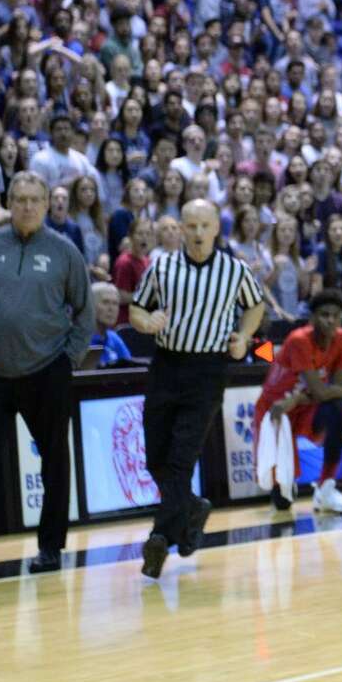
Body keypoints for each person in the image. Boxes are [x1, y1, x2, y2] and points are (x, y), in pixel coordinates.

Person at [0, 173, 94, 578]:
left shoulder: (65, 251)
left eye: (35, 199)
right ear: (9, 202)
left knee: (54, 461)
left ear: (48, 202)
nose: (28, 207)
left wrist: (67, 360)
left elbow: (84, 313)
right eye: (20, 200)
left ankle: (50, 548)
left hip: (46, 372)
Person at [127, 199, 265, 579]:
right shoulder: (163, 266)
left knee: (179, 460)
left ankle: (159, 536)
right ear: (181, 230)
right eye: (191, 226)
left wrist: (245, 337)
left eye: (205, 225)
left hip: (208, 370)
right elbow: (136, 309)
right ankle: (191, 510)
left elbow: (255, 306)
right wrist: (147, 320)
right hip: (166, 365)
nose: (199, 233)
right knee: (155, 458)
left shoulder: (234, 270)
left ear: (216, 229)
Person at [252, 288, 342, 518]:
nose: (330, 320)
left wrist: (301, 398)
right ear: (312, 318)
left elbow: (334, 391)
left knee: (340, 408)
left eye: (335, 315)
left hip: (303, 405)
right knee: (282, 500)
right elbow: (322, 391)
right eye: (324, 314)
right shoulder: (298, 340)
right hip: (276, 410)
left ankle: (326, 487)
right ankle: (285, 484)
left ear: (341, 317)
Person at [89, 284, 134, 366]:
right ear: (90, 306)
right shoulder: (76, 341)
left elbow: (131, 372)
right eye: (105, 302)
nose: (111, 309)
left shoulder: (114, 338)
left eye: (115, 303)